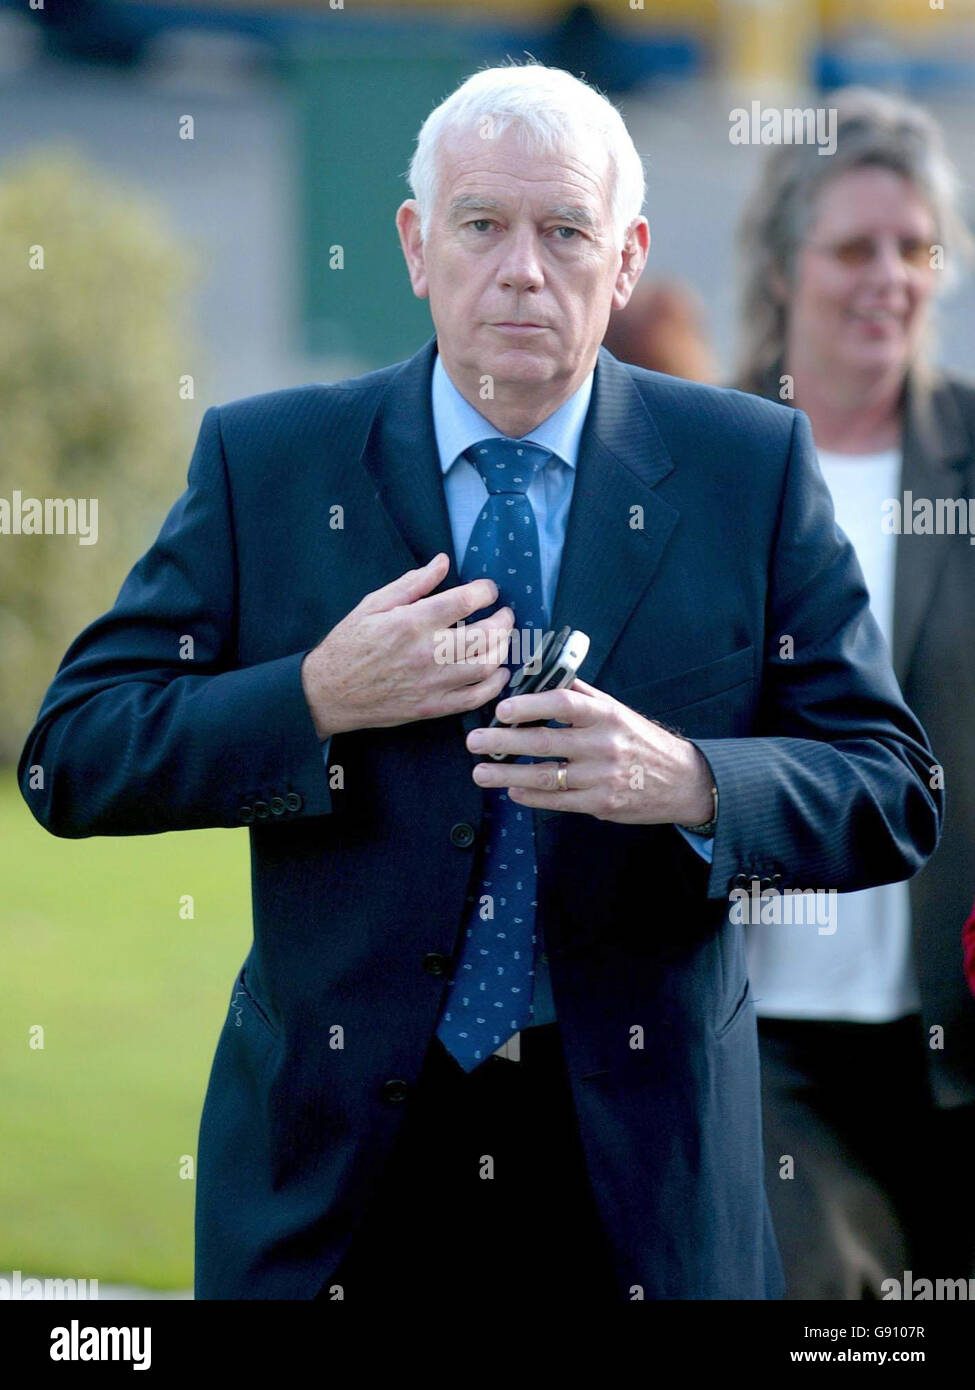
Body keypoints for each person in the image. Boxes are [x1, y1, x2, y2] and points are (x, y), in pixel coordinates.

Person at [18, 62, 942, 1303]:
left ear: (626, 259)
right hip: (340, 1184)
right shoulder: (270, 463)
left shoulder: (749, 469)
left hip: (640, 1187)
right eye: (481, 225)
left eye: (565, 231)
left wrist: (687, 779)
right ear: (415, 244)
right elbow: (70, 754)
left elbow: (895, 785)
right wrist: (316, 694)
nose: (522, 269)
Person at [734, 86, 975, 1298]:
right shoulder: (694, 458)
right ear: (783, 269)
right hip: (755, 1026)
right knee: (825, 1302)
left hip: (956, 1024)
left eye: (915, 246)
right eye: (852, 247)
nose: (890, 275)